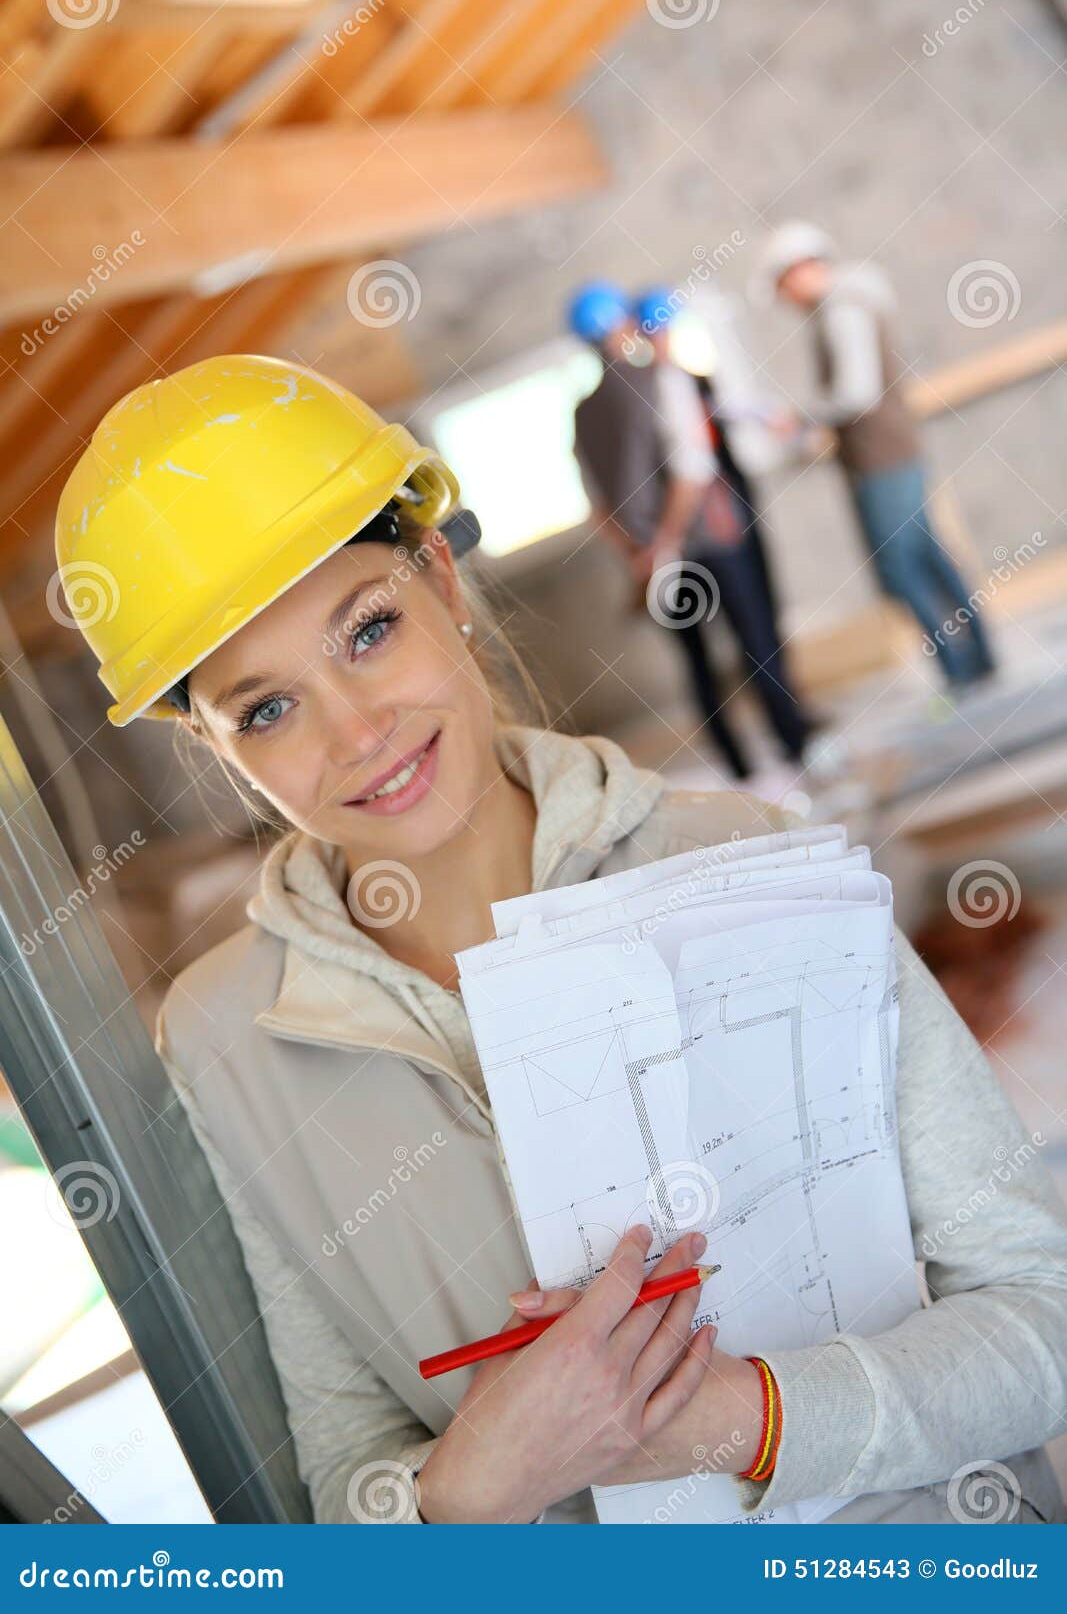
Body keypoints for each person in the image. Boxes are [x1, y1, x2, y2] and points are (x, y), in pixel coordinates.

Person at [53, 351, 1067, 1526]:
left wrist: (745, 1419)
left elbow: (1036, 1310)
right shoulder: (227, 1039)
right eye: (265, 708)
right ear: (214, 746)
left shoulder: (745, 862)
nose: (358, 730)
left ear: (438, 575)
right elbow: (337, 1477)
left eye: (369, 629)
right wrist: (470, 1486)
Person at [760, 222, 996, 688]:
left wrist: (802, 416)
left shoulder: (841, 309)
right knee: (925, 555)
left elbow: (856, 393)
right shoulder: (848, 303)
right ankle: (978, 658)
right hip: (889, 453)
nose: (784, 297)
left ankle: (958, 666)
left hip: (881, 458)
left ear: (801, 268)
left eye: (782, 283)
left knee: (901, 565)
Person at [632, 286, 811, 767]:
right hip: (712, 530)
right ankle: (789, 739)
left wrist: (779, 418)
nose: (666, 339)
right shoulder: (654, 390)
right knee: (750, 632)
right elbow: (688, 471)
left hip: (732, 515)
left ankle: (791, 726)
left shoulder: (689, 380)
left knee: (763, 624)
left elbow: (736, 406)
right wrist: (667, 540)